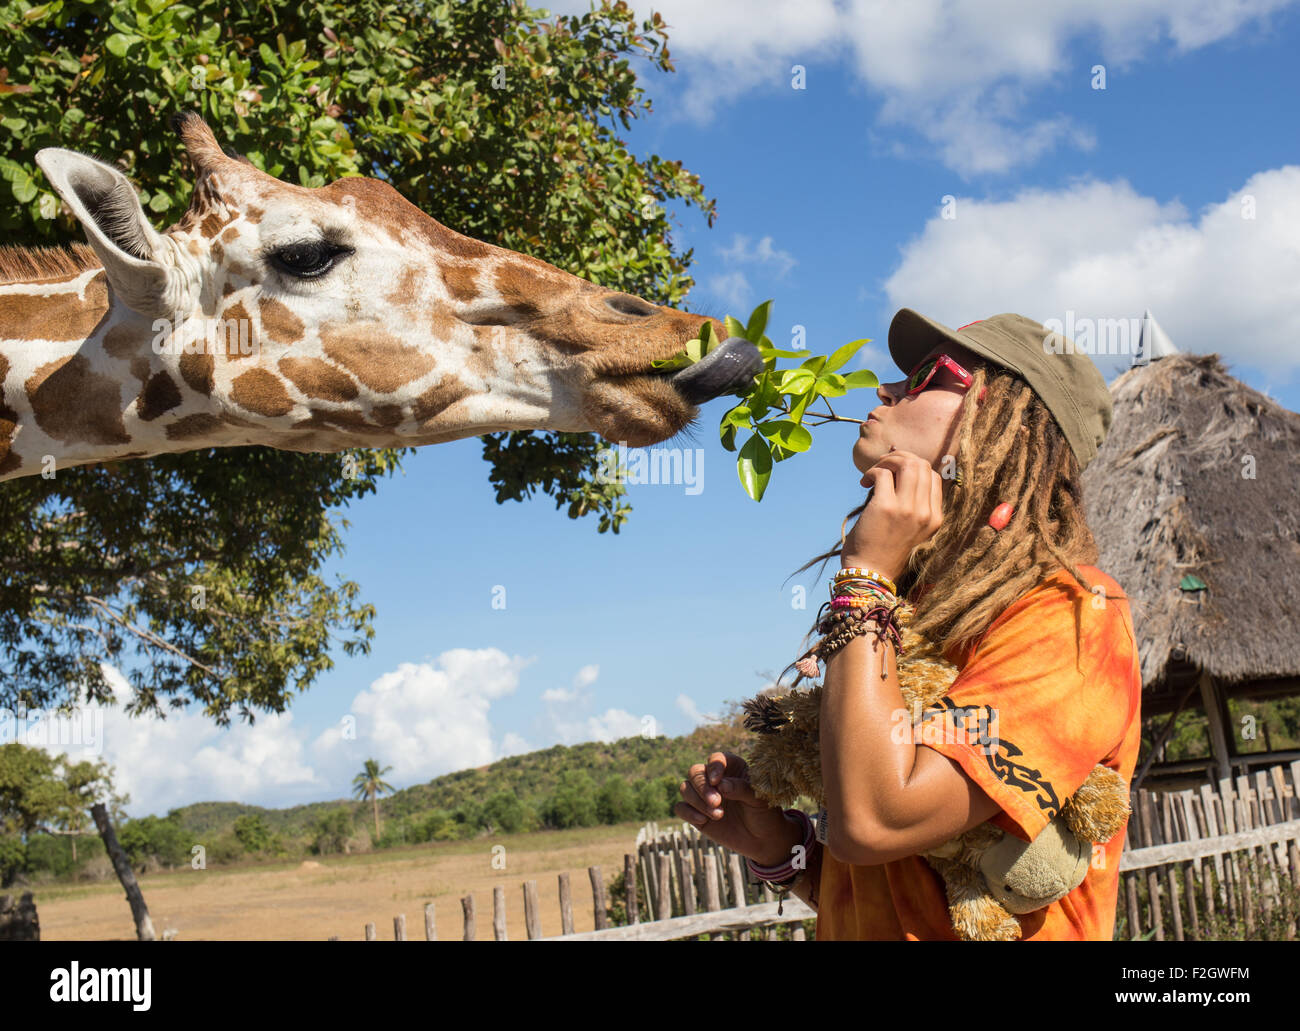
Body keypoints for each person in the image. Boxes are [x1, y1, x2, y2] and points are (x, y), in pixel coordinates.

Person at [675, 308, 1142, 940]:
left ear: (1008, 419)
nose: (887, 390)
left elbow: (878, 821)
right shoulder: (909, 606)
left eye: (931, 375)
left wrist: (865, 575)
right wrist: (781, 850)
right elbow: (892, 888)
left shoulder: (1073, 614)